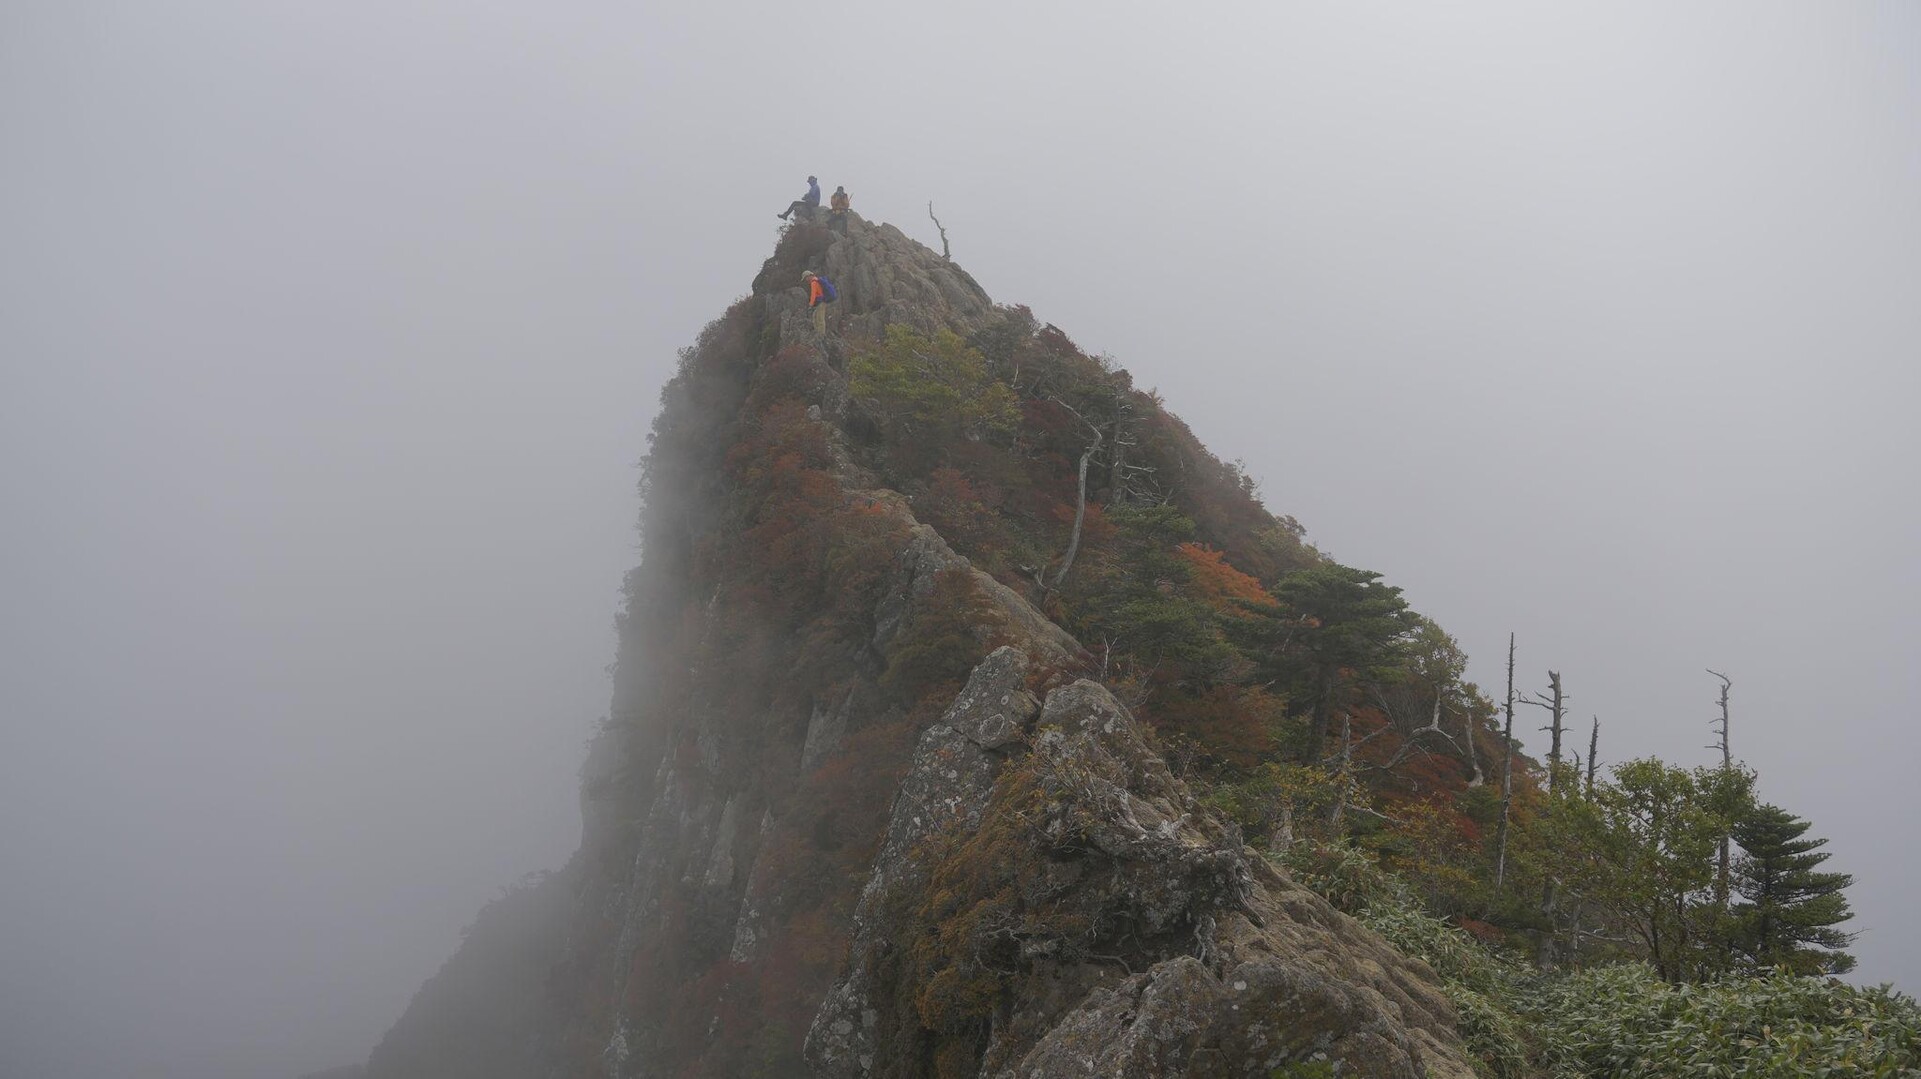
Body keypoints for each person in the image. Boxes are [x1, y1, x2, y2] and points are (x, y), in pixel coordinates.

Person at [802, 270, 835, 335]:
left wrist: (810, 305)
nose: (806, 280)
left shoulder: (813, 283)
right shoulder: (817, 280)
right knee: (816, 317)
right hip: (821, 301)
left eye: (805, 278)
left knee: (820, 318)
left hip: (821, 302)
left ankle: (821, 335)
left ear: (808, 276)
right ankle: (818, 333)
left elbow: (813, 295)